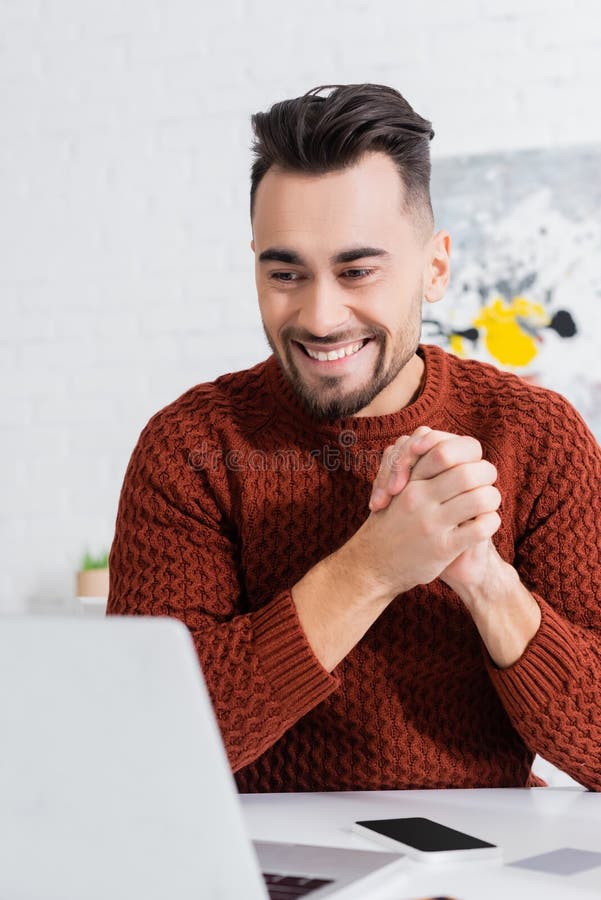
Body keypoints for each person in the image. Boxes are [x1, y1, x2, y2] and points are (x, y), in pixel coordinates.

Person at [106, 83, 601, 792]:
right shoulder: (190, 446)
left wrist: (486, 581)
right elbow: (150, 743)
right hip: (259, 869)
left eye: (357, 270)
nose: (319, 314)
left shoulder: (536, 437)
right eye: (285, 273)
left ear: (433, 267)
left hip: (478, 865)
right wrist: (371, 568)